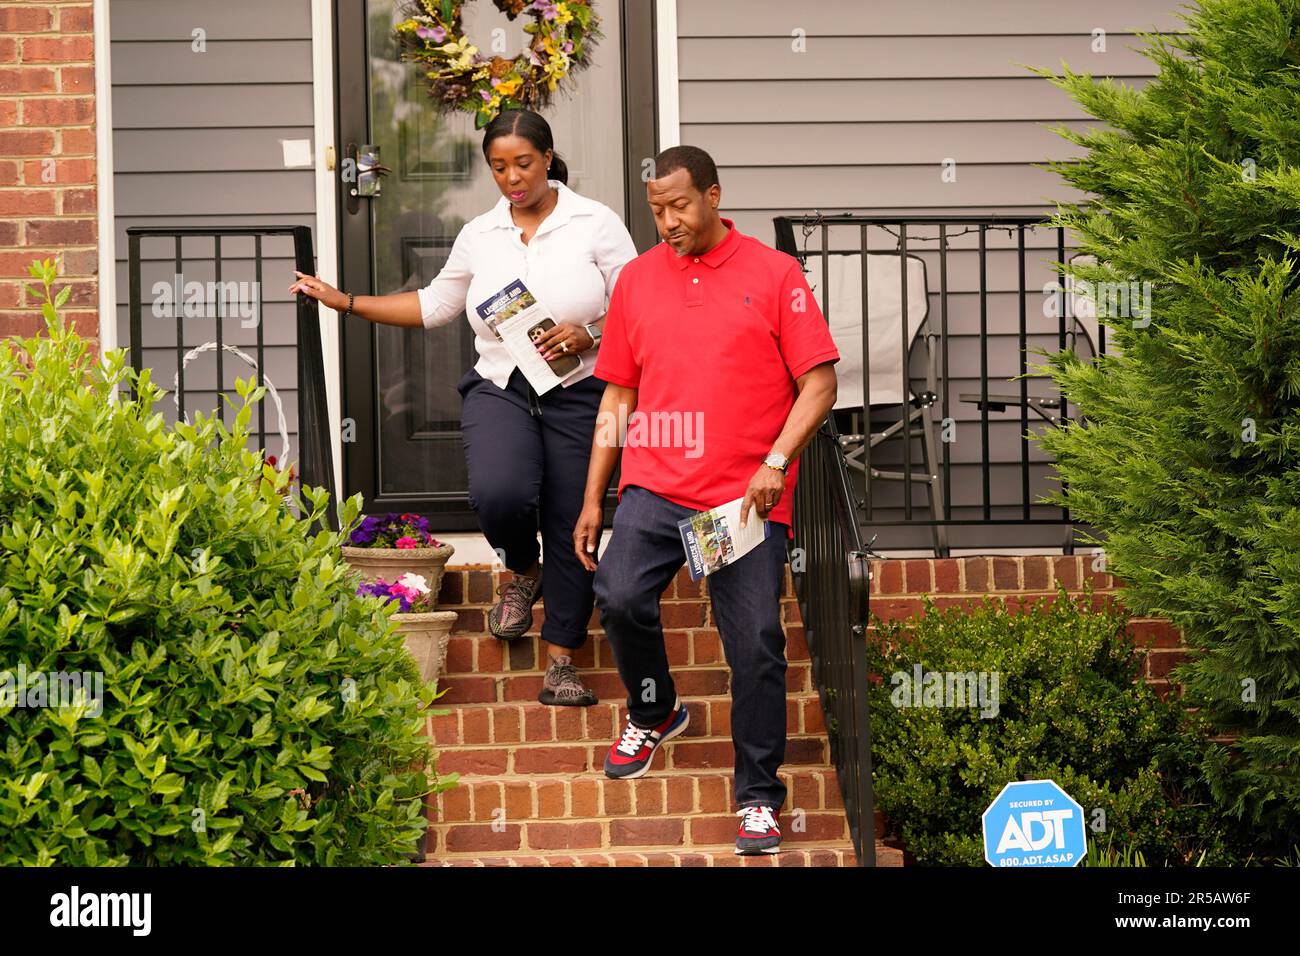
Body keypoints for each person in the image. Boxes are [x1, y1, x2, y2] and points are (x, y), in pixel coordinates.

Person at [291, 109, 637, 707]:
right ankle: (523, 571)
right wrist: (344, 301)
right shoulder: (480, 234)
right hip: (502, 383)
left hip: (579, 389)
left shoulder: (595, 223)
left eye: (523, 163)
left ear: (548, 158)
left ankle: (561, 662)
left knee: (573, 522)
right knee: (499, 493)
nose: (512, 178)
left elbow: (640, 302)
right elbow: (434, 304)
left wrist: (593, 333)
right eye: (498, 167)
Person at [573, 145, 840, 855]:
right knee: (620, 592)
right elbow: (620, 394)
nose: (667, 221)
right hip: (656, 486)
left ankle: (758, 797)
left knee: (754, 643)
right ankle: (655, 709)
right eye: (656, 209)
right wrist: (594, 494)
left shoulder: (774, 274)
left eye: (680, 205)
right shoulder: (635, 281)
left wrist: (777, 461)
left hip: (739, 503)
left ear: (715, 196)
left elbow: (819, 383)